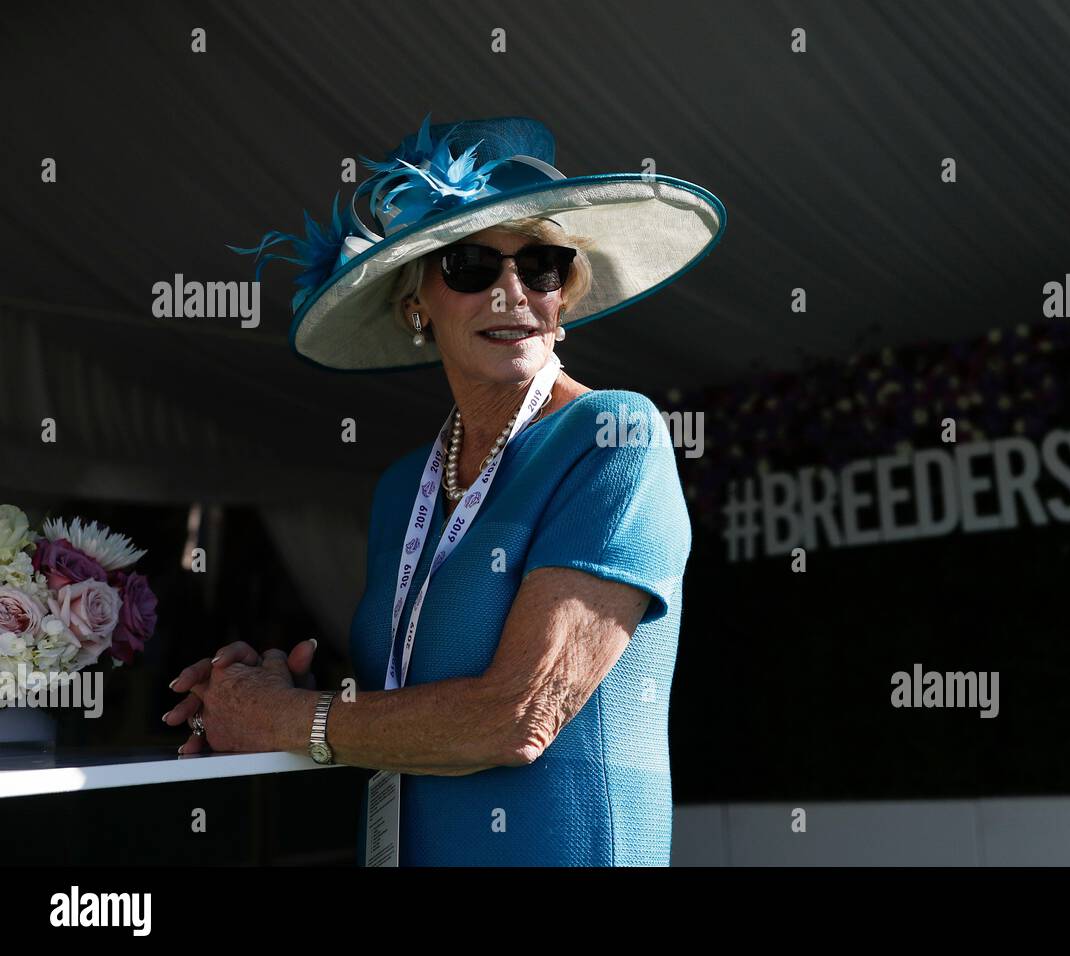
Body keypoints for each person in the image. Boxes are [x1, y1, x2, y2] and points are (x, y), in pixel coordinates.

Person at [163, 115, 725, 865]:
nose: (511, 291)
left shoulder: (614, 436)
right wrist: (262, 692)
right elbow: (414, 698)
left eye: (542, 265)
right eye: (470, 265)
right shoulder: (403, 487)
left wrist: (290, 720)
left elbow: (514, 717)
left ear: (566, 297)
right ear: (415, 303)